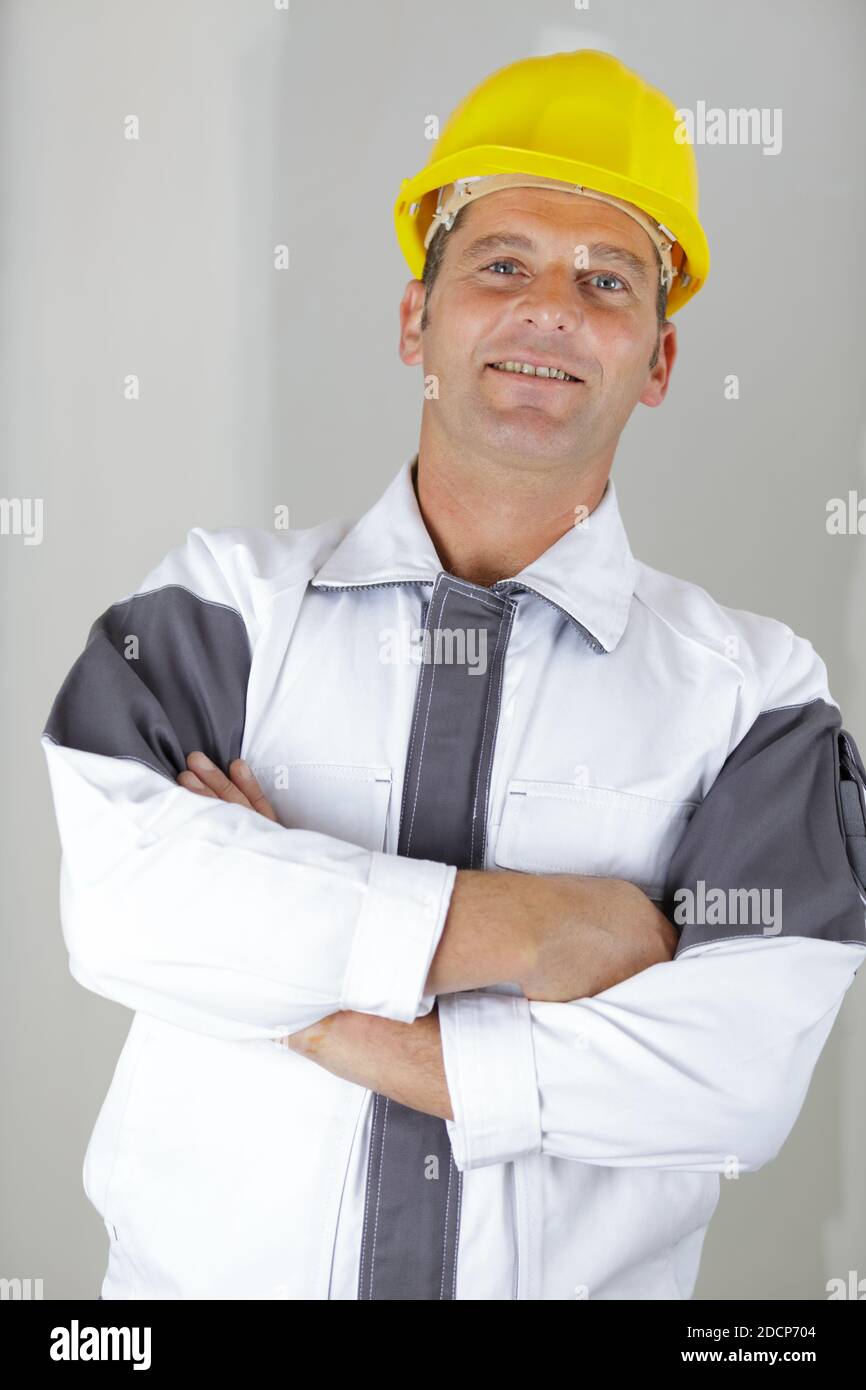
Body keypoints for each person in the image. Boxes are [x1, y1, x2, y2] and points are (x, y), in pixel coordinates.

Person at [41, 49, 866, 1301]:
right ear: (415, 318)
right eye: (500, 263)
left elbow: (731, 1083)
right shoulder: (217, 606)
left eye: (605, 280)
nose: (549, 307)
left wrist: (303, 997)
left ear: (656, 359)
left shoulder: (759, 698)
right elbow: (122, 910)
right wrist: (542, 929)